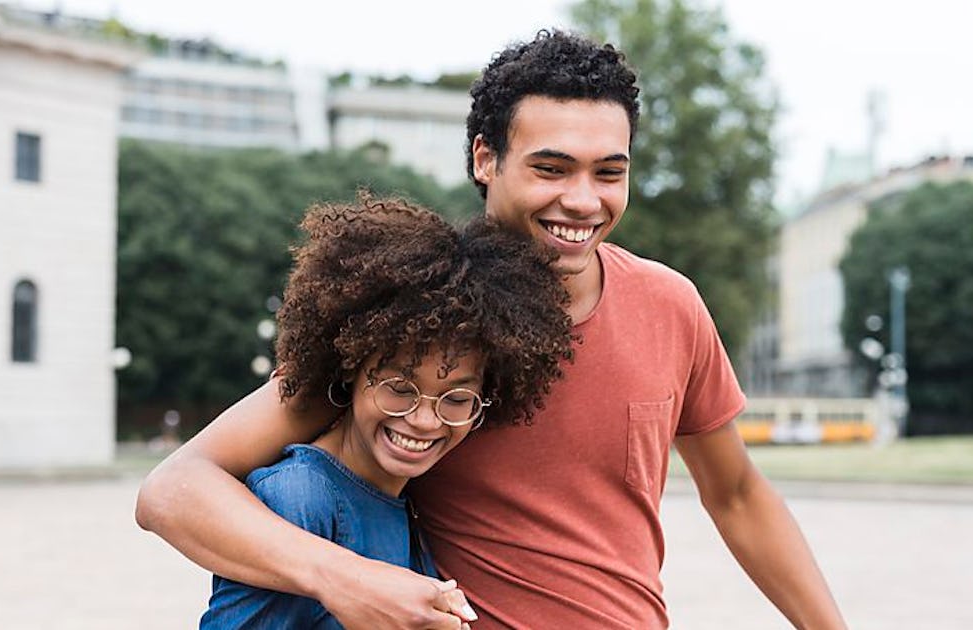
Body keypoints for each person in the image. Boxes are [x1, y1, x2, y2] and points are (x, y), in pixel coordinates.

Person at [137, 29, 847, 629]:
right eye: (550, 167)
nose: (583, 200)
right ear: (485, 159)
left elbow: (738, 496)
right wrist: (342, 578)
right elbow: (173, 492)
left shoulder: (671, 304)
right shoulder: (418, 316)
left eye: (609, 172)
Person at [198, 194, 574, 628]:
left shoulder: (410, 497)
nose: (424, 420)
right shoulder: (300, 498)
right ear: (351, 368)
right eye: (400, 388)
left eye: (455, 400)